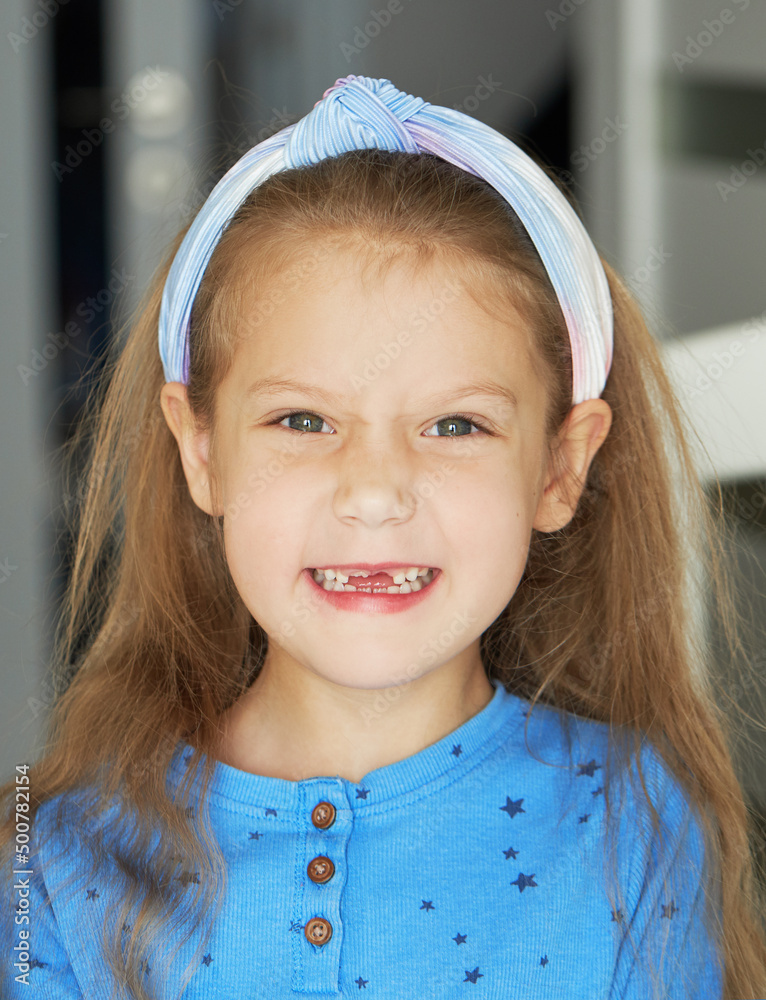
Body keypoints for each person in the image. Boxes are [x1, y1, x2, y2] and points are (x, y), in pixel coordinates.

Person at [1, 74, 764, 1000]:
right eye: (302, 420)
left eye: (454, 425)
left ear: (560, 469)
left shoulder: (630, 819)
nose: (372, 493)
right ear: (201, 452)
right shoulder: (56, 857)